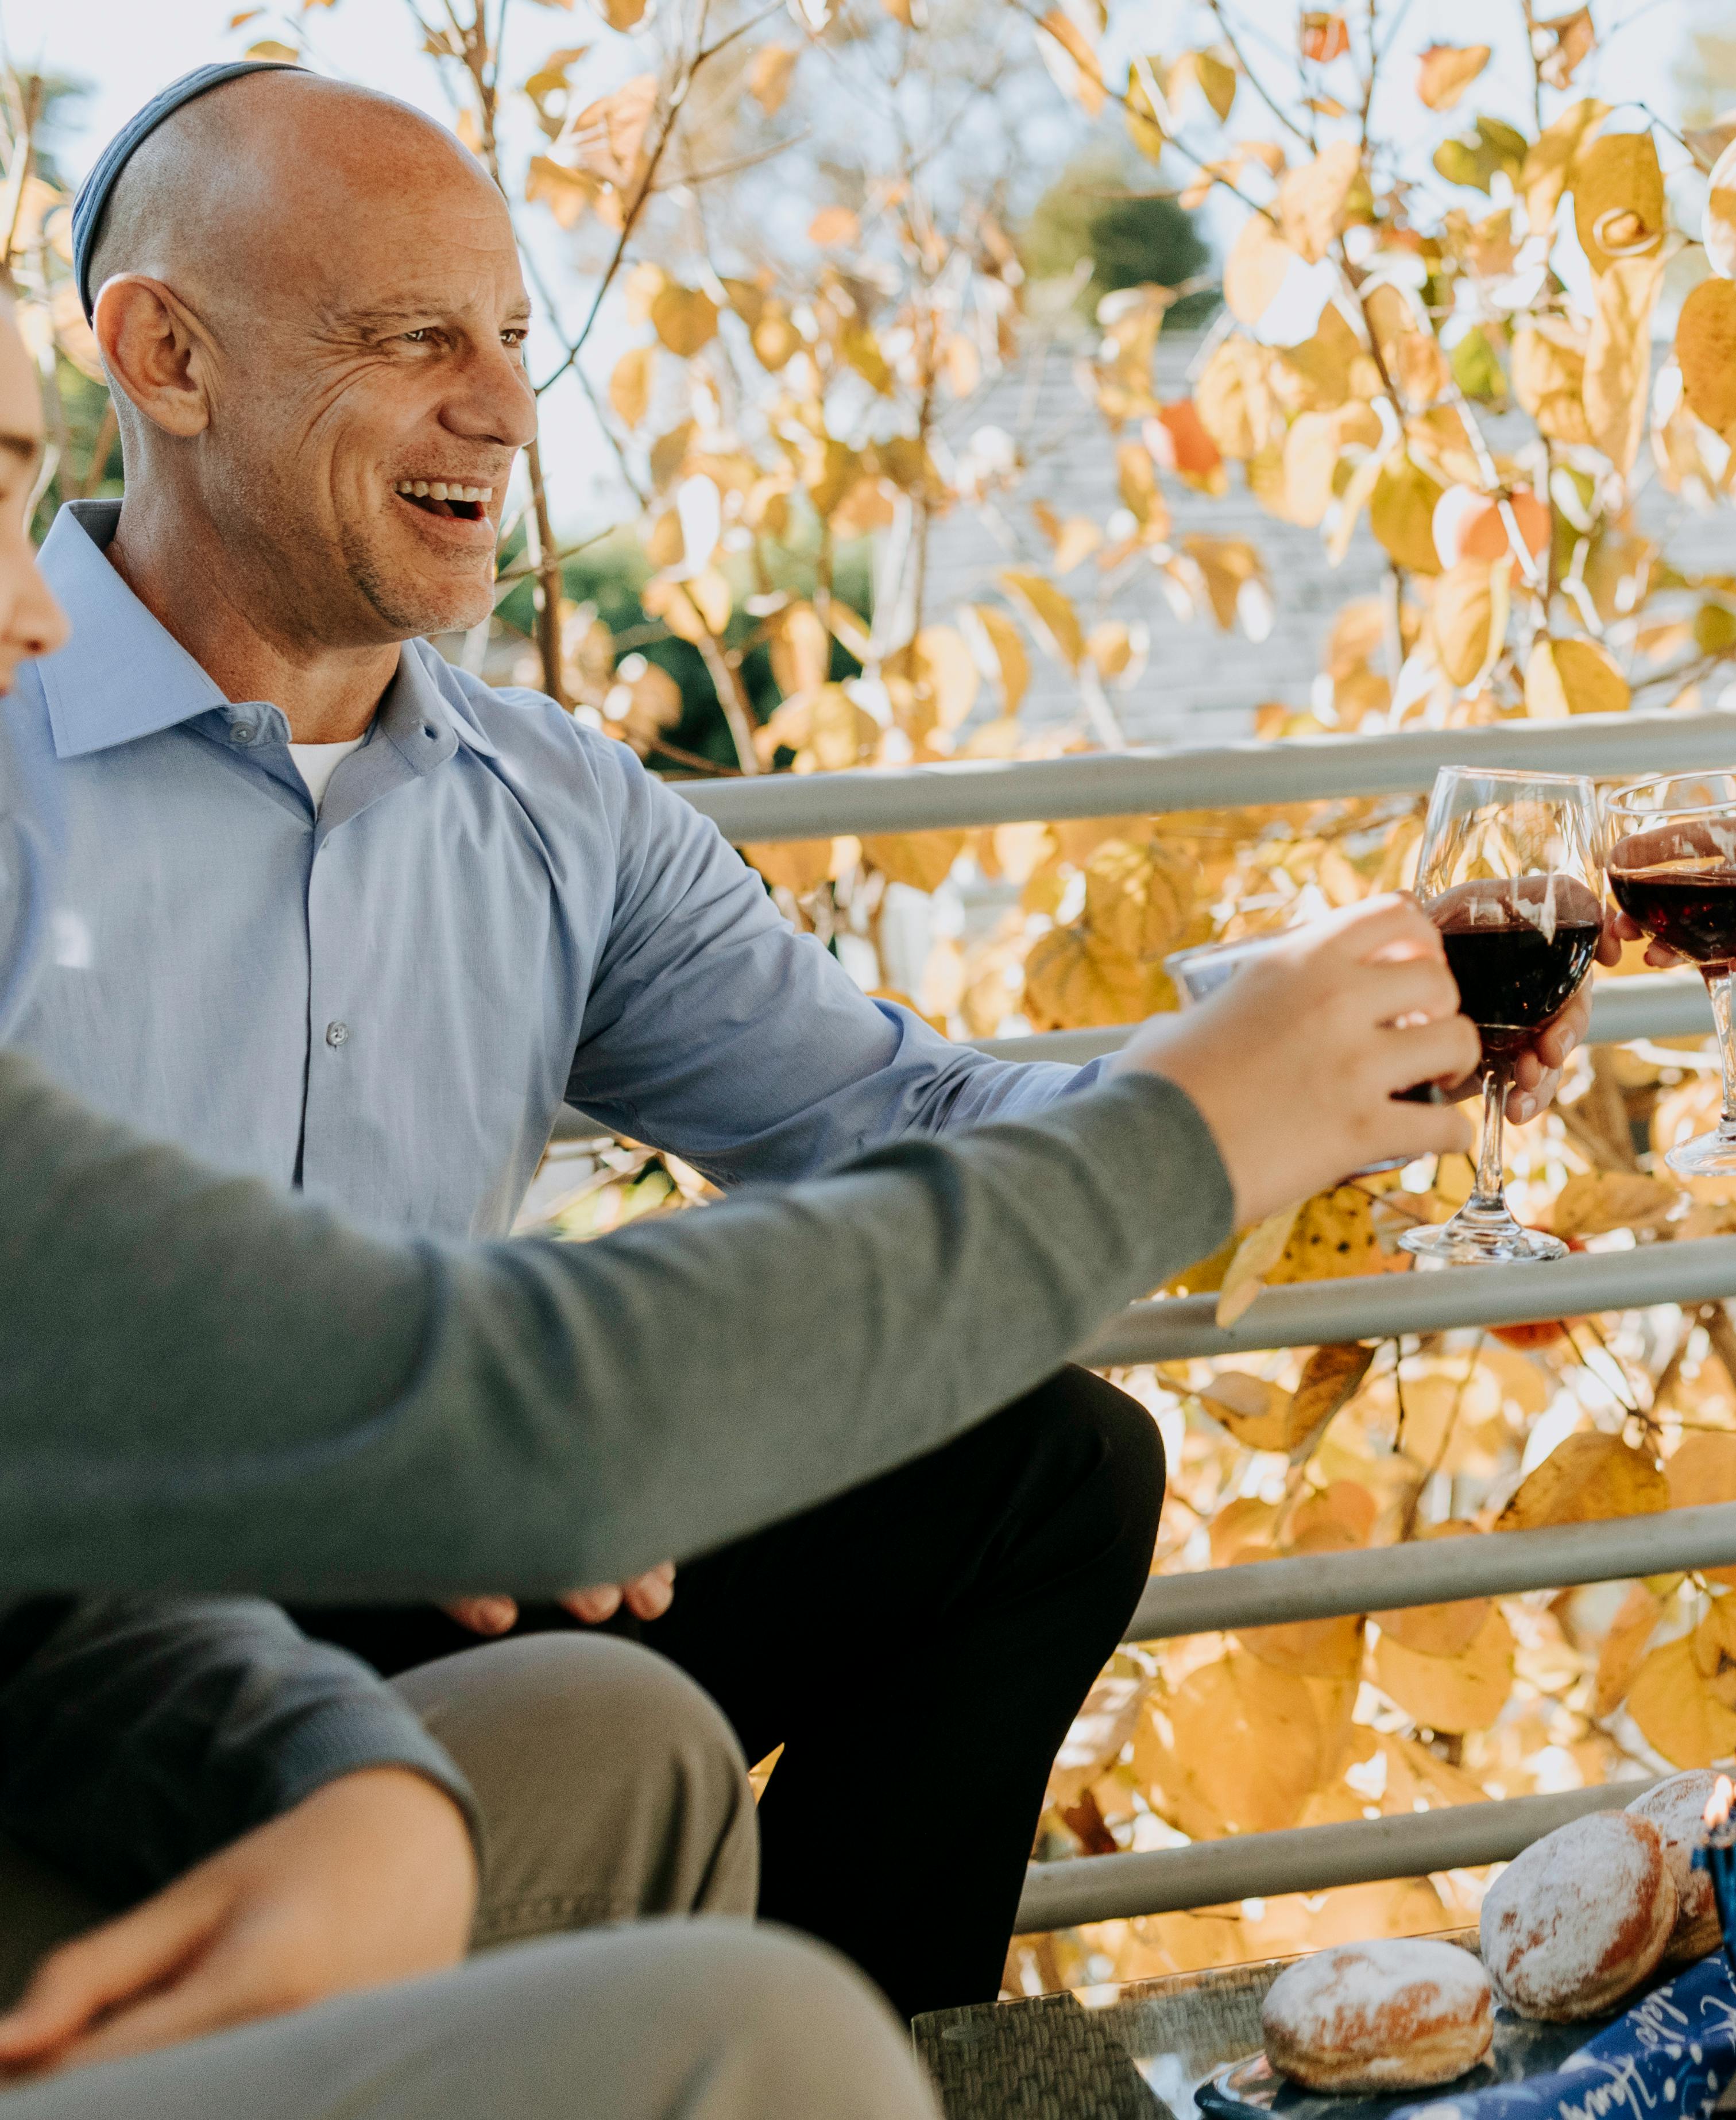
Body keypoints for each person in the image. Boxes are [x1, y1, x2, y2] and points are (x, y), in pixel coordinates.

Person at [10, 62, 1568, 2015]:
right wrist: (490, 1440)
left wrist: (1294, 1054)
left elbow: (894, 1119)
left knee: (1044, 1463)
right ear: (165, 356)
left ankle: (877, 2061)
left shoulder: (554, 803)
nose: (502, 406)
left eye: (506, 331)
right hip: (83, 1598)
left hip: (451, 1525)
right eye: (411, 338)